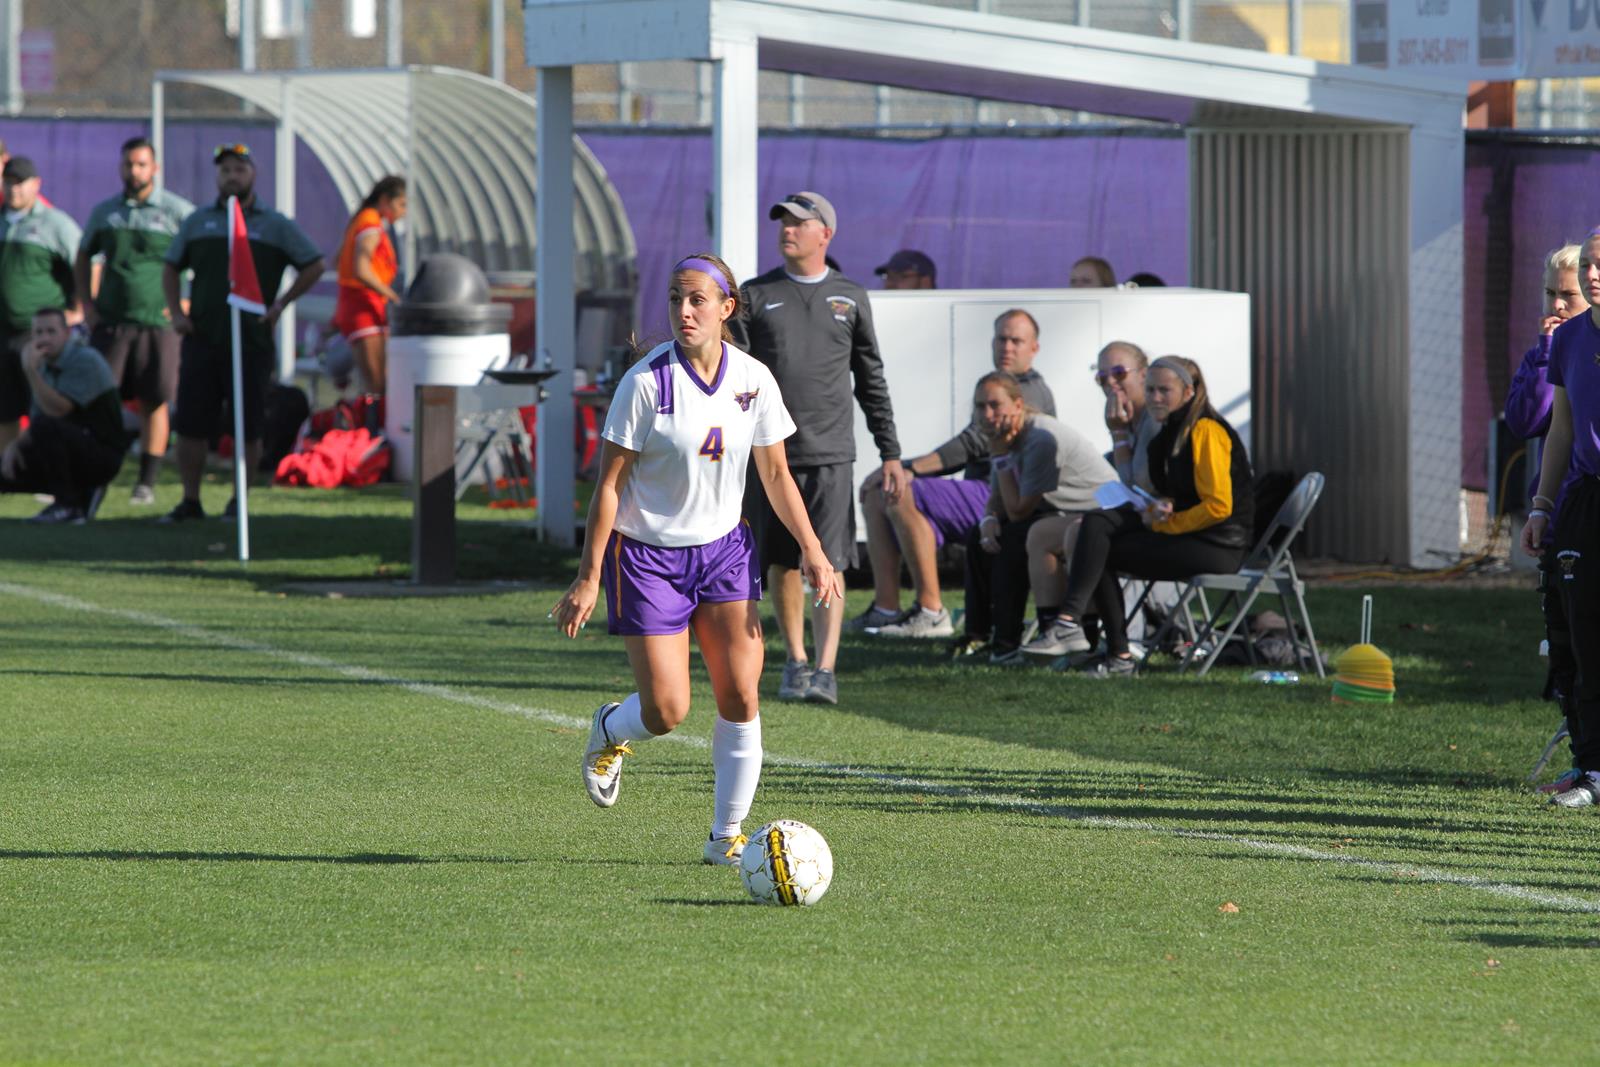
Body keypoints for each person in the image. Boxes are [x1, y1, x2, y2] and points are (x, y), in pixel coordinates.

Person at [553, 252, 839, 865]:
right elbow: (607, 487)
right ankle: (610, 729)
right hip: (648, 559)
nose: (684, 311)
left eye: (698, 300)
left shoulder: (754, 379)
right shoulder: (646, 383)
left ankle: (725, 838)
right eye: (677, 299)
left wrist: (815, 550)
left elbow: (777, 474)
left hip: (724, 555)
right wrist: (587, 577)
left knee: (741, 693)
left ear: (726, 308)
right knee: (668, 711)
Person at [728, 190, 904, 705]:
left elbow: (871, 379)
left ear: (825, 233)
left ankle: (826, 668)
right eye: (783, 222)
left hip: (831, 453)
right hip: (770, 455)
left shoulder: (850, 296)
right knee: (782, 561)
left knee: (829, 559)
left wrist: (890, 451)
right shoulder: (756, 296)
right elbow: (734, 376)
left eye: (800, 223)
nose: (787, 230)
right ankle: (796, 661)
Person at [1038, 356, 1254, 677]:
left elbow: (1218, 506)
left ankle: (1111, 651)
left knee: (1102, 551)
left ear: (1189, 392)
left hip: (1218, 545)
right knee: (1097, 524)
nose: (1154, 397)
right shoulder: (1170, 431)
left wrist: (1169, 523)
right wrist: (1160, 506)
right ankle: (1076, 626)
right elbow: (1174, 493)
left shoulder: (1206, 430)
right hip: (1188, 533)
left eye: (1164, 390)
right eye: (1150, 389)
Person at [854, 308, 1055, 639]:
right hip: (985, 492)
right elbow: (969, 446)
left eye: (1017, 341)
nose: (1007, 347)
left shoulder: (1028, 391)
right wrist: (897, 470)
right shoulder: (1003, 385)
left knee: (899, 488)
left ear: (1034, 348)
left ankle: (932, 612)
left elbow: (971, 444)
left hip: (1004, 500)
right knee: (881, 493)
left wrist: (904, 468)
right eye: (1001, 338)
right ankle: (885, 608)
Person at [159, 143, 325, 523]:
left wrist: (281, 304)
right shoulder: (199, 221)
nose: (232, 176)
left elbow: (314, 264)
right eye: (225, 171)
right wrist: (177, 313)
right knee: (191, 422)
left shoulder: (275, 224)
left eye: (239, 169)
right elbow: (170, 266)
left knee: (248, 423)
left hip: (250, 341)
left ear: (253, 174)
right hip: (203, 337)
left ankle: (240, 502)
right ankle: (190, 500)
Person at [949, 371, 1115, 665]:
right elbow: (999, 498)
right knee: (982, 536)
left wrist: (999, 457)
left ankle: (1009, 643)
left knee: (1012, 539)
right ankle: (977, 635)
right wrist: (988, 519)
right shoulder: (1005, 434)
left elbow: (1018, 511)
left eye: (994, 405)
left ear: (1017, 404)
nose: (987, 414)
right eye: (979, 406)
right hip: (1063, 514)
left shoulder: (1039, 438)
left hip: (1101, 517)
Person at [1522, 229, 1600, 808]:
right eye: (1593, 264)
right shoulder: (1570, 339)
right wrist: (1543, 507)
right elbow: (1561, 431)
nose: (1594, 275)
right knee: (1579, 639)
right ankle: (1592, 771)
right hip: (1585, 502)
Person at [1021, 340, 1163, 657]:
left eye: (1118, 373)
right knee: (1041, 533)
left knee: (1083, 530)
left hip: (1167, 523)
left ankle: (1102, 638)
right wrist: (1118, 433)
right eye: (1102, 378)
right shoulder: (1129, 421)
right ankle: (1058, 635)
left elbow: (1142, 484)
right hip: (1136, 514)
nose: (1110, 383)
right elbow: (1128, 484)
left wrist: (1119, 435)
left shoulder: (1154, 419)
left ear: (1143, 374)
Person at [75, 137, 196, 506]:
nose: (135, 171)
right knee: (100, 401)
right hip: (111, 322)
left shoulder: (178, 212)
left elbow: (201, 261)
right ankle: (94, 478)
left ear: (155, 168)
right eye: (129, 164)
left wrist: (183, 305)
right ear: (120, 167)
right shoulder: (106, 212)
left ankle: (146, 481)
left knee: (153, 401)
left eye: (142, 164)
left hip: (157, 324)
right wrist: (88, 308)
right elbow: (83, 258)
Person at [1506, 244, 1586, 794]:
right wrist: (1544, 353)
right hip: (1557, 520)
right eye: (1552, 293)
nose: (1557, 304)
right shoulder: (1552, 346)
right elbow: (1527, 419)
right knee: (1566, 651)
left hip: (1588, 513)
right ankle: (1586, 759)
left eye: (1569, 294)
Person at [0, 308, 127, 523]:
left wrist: (30, 372)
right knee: (6, 466)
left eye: (51, 331)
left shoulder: (85, 359)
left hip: (103, 454)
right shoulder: (44, 364)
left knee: (46, 427)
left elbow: (58, 411)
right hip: (68, 449)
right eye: (39, 333)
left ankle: (67, 505)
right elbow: (35, 420)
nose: (44, 338)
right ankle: (80, 494)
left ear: (66, 333)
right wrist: (13, 448)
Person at [0, 157, 82, 452]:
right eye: (8, 182)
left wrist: (81, 309)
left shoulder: (54, 223)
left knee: (44, 404)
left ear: (36, 185)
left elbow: (85, 263)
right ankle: (7, 473)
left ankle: (47, 471)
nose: (14, 189)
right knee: (5, 409)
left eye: (20, 183)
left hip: (39, 333)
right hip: (3, 332)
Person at [332, 176, 407, 394]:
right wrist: (393, 297)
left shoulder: (360, 220)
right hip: (364, 307)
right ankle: (372, 427)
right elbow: (361, 269)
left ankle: (370, 423)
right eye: (401, 204)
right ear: (385, 200)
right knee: (378, 387)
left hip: (354, 305)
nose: (404, 212)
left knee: (374, 384)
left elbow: (338, 261)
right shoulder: (371, 223)